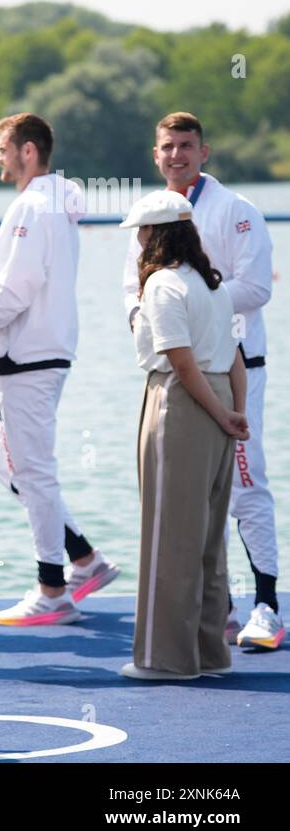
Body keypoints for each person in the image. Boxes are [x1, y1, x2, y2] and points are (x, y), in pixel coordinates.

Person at [121, 113, 281, 651]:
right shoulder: (150, 215)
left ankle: (268, 605)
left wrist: (195, 308)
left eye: (186, 146)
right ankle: (219, 608)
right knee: (190, 494)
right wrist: (147, 319)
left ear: (204, 152)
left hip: (236, 367)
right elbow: (133, 287)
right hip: (176, 370)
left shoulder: (237, 211)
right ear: (155, 154)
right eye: (167, 147)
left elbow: (256, 288)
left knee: (243, 481)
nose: (176, 156)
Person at [0, 113, 120, 627]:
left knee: (32, 471)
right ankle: (84, 559)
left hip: (31, 356)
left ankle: (52, 587)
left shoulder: (35, 205)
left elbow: (18, 288)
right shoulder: (50, 202)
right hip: (36, 353)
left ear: (29, 151)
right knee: (10, 467)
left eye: (4, 148)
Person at [120, 190, 249, 680]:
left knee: (168, 533)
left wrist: (217, 414)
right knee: (207, 537)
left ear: (155, 234)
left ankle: (166, 659)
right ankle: (209, 653)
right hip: (220, 398)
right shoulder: (212, 284)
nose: (137, 241)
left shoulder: (163, 285)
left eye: (141, 232)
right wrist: (235, 412)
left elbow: (180, 361)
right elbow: (233, 356)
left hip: (181, 401)